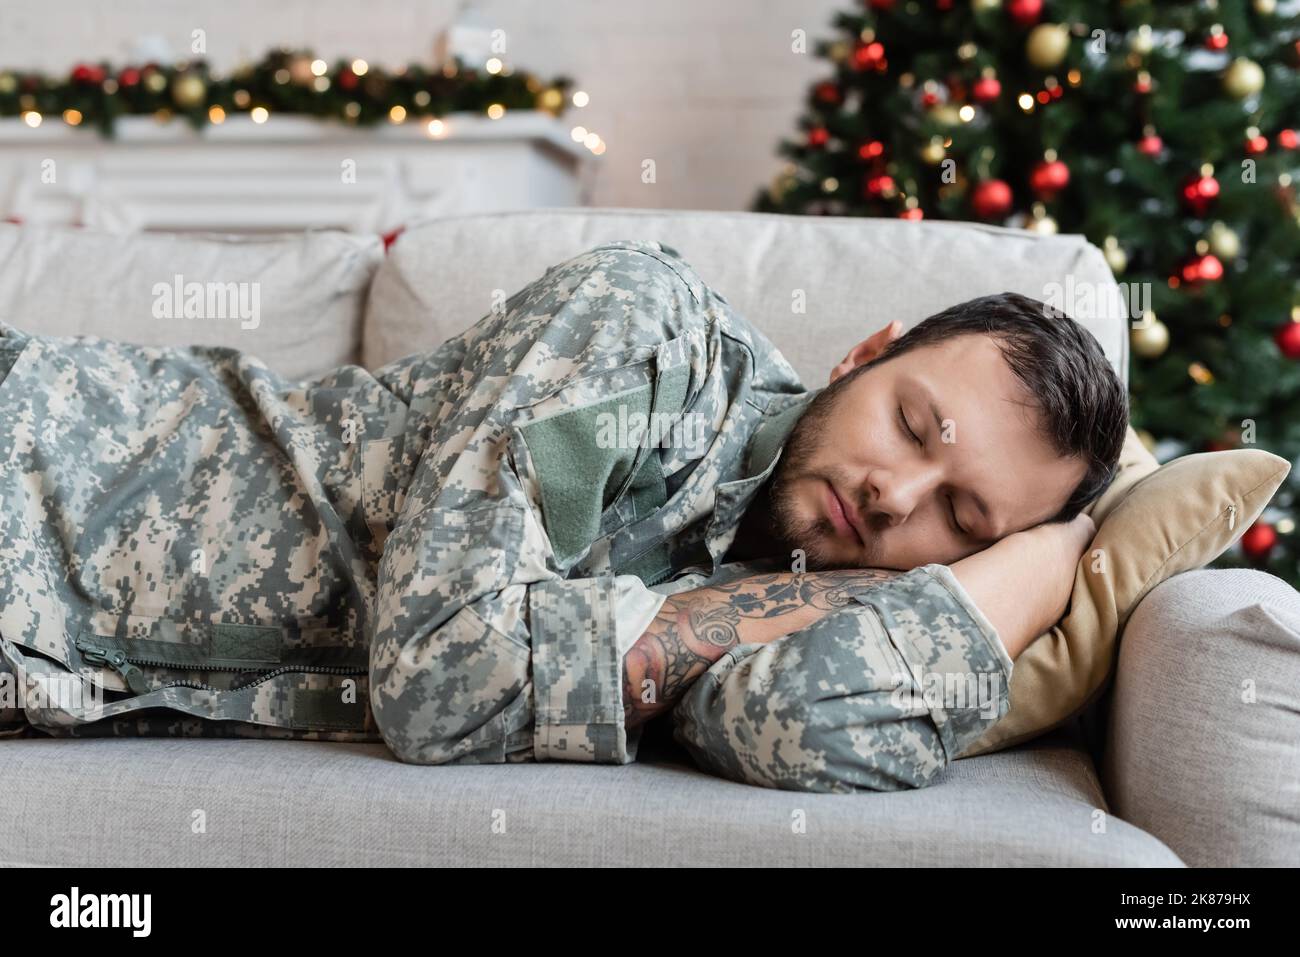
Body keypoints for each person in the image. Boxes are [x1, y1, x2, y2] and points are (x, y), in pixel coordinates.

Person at [0, 239, 1126, 792]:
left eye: (962, 517)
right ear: (866, 355)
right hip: (42, 457)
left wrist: (1042, 561)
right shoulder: (646, 333)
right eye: (913, 425)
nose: (894, 493)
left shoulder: (797, 603)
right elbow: (437, 682)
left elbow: (798, 725)